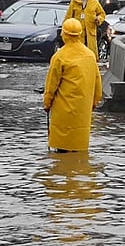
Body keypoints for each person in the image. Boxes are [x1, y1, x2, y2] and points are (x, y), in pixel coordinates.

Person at [43, 18, 100, 153]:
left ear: (64, 34)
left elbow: (51, 85)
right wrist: (94, 102)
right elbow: (97, 82)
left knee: (62, 151)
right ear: (80, 34)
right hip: (83, 112)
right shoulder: (90, 55)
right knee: (79, 151)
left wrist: (47, 103)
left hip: (63, 112)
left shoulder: (59, 56)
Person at [64, 0, 107, 99]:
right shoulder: (74, 2)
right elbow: (68, 18)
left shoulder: (94, 2)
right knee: (77, 56)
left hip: (90, 35)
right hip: (77, 35)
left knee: (91, 56)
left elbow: (102, 13)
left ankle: (90, 74)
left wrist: (99, 19)